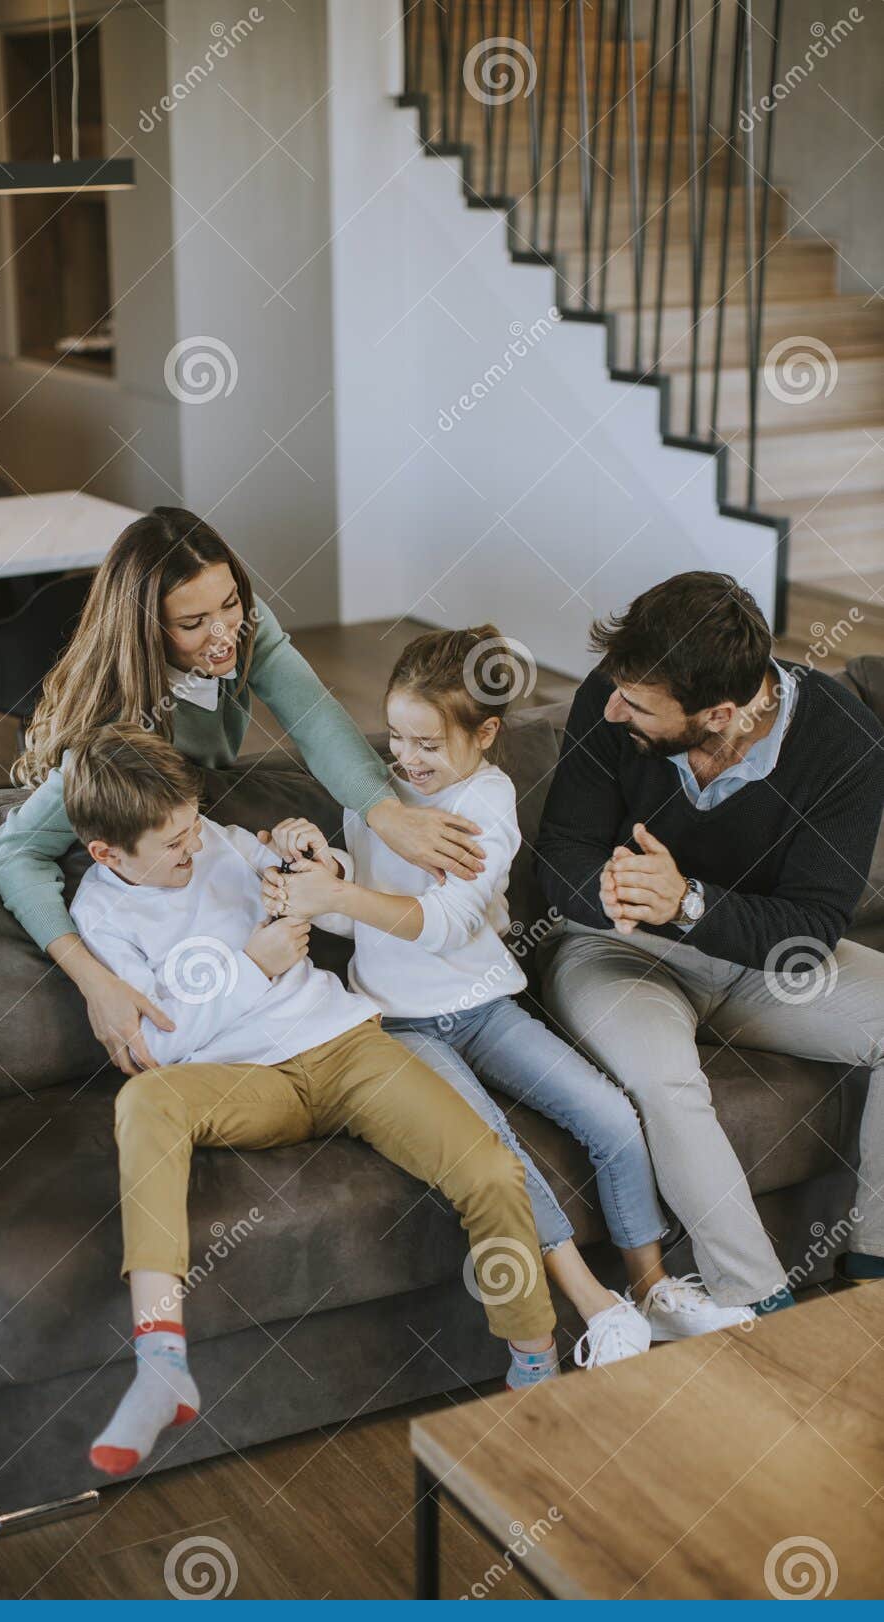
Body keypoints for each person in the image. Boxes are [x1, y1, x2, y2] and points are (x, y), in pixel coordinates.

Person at [63, 724, 560, 1478]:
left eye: (193, 827)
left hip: (344, 1045)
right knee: (145, 1102)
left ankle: (532, 1363)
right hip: (247, 1082)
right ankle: (161, 1364)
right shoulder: (99, 918)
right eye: (171, 846)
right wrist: (249, 968)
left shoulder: (220, 841)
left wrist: (310, 855)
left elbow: (311, 889)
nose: (194, 850)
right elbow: (153, 1048)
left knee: (490, 1171)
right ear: (108, 854)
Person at [261, 625, 752, 1360]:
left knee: (612, 1118)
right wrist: (310, 872)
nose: (406, 758)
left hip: (486, 1006)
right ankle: (595, 1307)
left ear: (484, 733)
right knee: (499, 1152)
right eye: (396, 736)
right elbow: (349, 910)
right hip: (400, 1025)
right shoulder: (370, 792)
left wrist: (338, 891)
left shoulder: (488, 799)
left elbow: (444, 924)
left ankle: (652, 1292)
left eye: (427, 744)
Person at [0, 507, 486, 1076]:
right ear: (149, 630)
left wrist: (386, 813)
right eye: (194, 622)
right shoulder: (113, 732)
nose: (223, 635)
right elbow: (13, 850)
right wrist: (93, 980)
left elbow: (314, 718)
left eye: (230, 604)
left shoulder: (240, 625)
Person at [532, 570, 884, 1312]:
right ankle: (756, 1304)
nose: (612, 706)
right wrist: (616, 892)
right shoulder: (612, 694)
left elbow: (812, 926)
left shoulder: (845, 741)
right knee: (663, 1081)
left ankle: (873, 1276)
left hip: (758, 962)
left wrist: (688, 901)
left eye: (638, 705)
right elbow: (561, 849)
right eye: (618, 688)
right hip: (616, 947)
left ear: (719, 713)